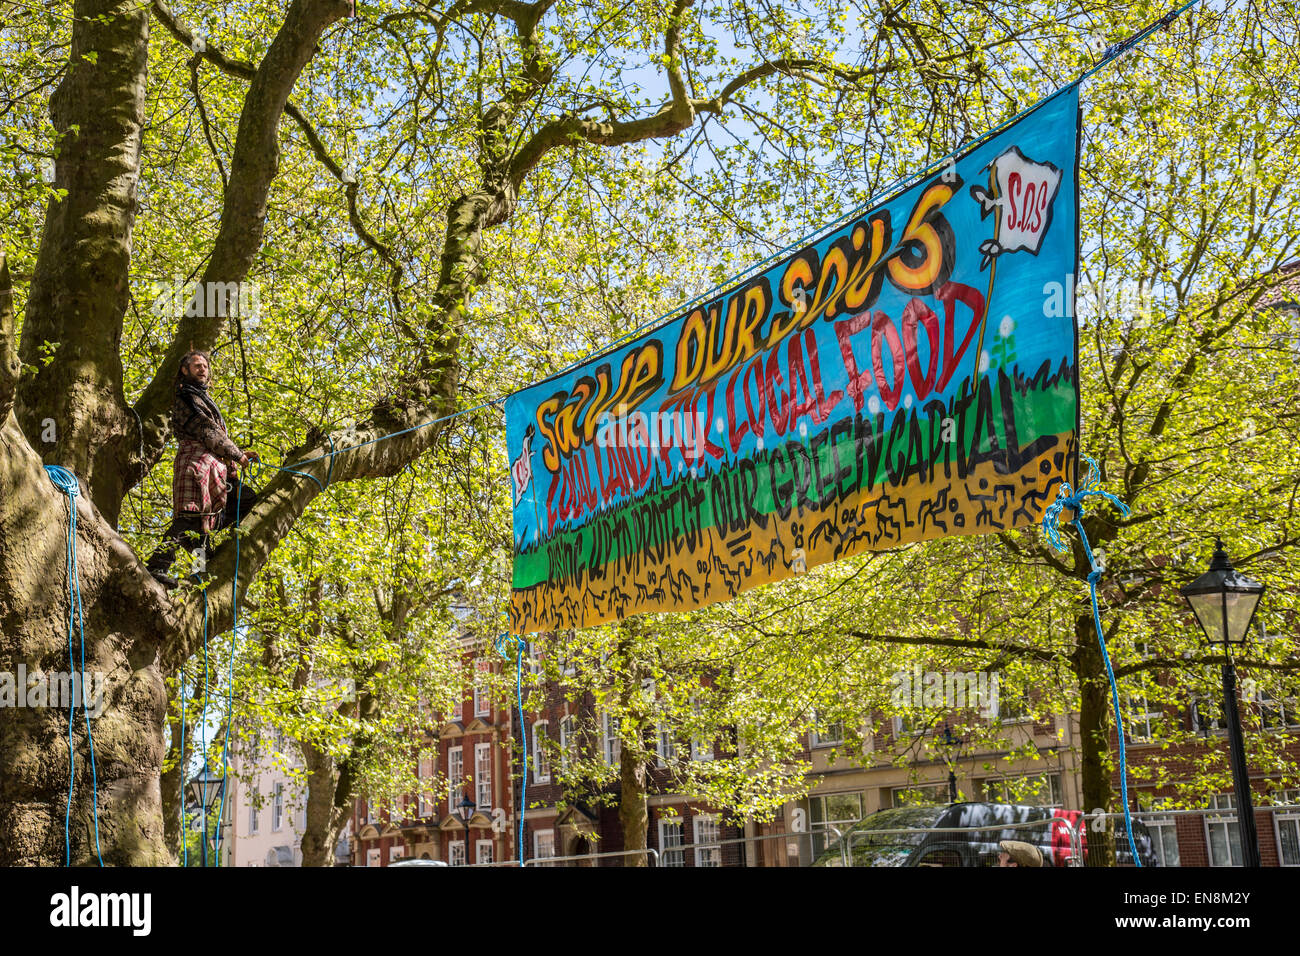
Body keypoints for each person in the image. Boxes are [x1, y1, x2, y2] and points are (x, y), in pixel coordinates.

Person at [146, 350, 259, 588]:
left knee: (243, 499)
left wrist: (232, 467)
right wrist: (237, 455)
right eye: (197, 365)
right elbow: (208, 431)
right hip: (196, 464)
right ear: (185, 371)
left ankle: (201, 570)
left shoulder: (201, 397)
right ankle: (158, 565)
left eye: (205, 366)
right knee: (190, 516)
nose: (202, 369)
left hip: (214, 467)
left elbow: (214, 436)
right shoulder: (187, 397)